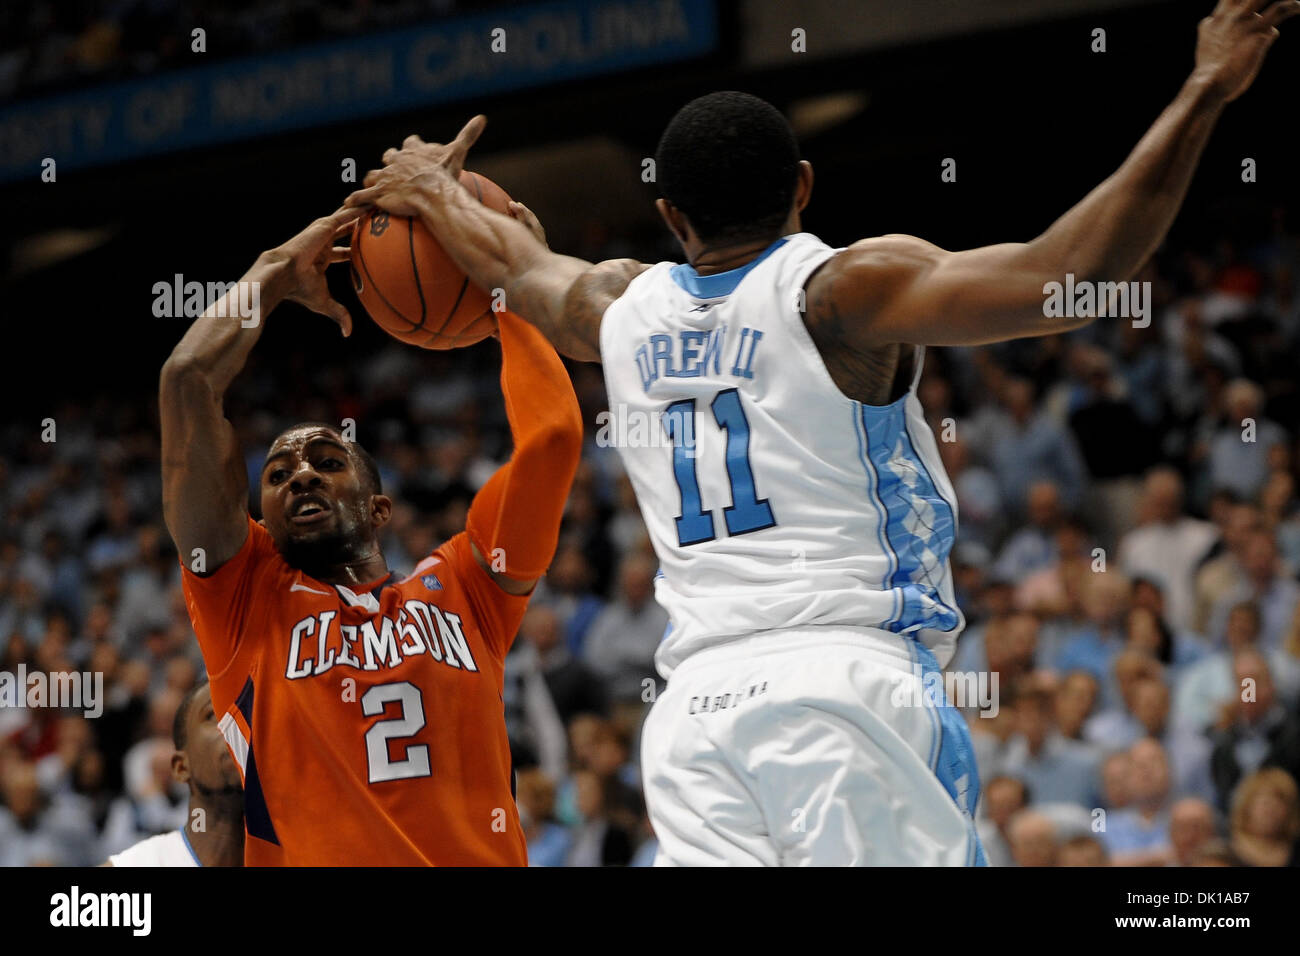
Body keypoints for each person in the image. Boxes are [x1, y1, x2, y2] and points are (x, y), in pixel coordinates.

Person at [347, 1, 1299, 865]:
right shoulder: (842, 290)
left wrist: (432, 191)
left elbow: (519, 258)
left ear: (671, 215)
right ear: (805, 185)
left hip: (693, 719)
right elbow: (1076, 272)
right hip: (844, 688)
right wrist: (1205, 91)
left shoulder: (615, 309)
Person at [158, 199, 583, 864]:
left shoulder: (467, 590)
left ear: (380, 510)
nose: (301, 477)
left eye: (328, 464)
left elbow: (553, 437)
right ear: (260, 521)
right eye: (278, 474)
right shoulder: (245, 602)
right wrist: (275, 273)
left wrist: (508, 289)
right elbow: (186, 382)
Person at [104, 683, 243, 867]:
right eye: (213, 715)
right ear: (181, 768)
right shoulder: (136, 864)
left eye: (251, 716)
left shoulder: (291, 856)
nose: (242, 728)